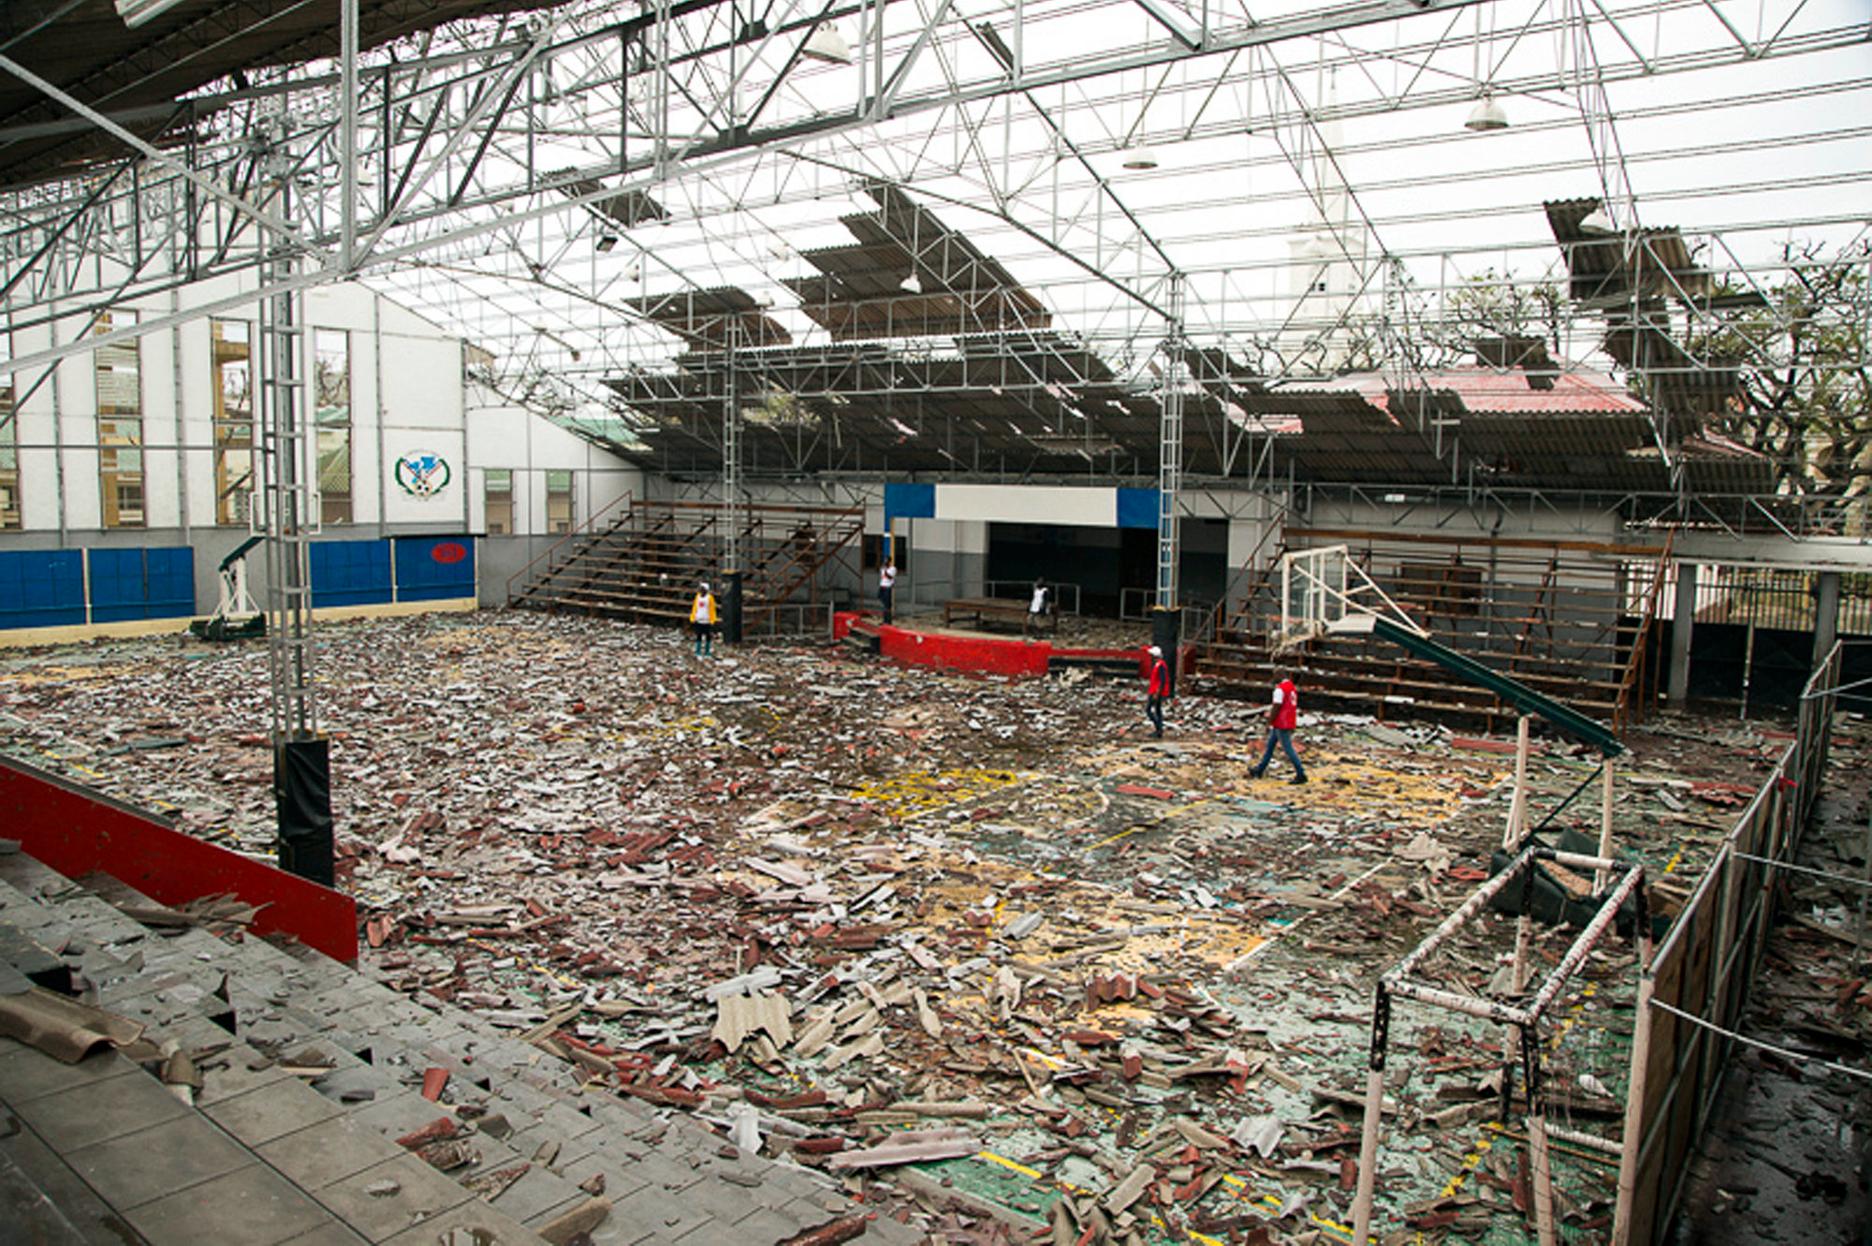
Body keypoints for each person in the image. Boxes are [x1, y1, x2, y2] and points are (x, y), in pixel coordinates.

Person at [1250, 669, 1307, 784]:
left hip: (1281, 722)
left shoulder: (1279, 690)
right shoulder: (1291, 686)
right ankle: (1259, 769)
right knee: (1270, 747)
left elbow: (1276, 706)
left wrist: (1269, 721)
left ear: (1279, 676)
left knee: (1288, 749)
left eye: (1275, 676)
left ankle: (1301, 774)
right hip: (1288, 720)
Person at [1144, 644, 1171, 738]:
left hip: (1156, 692)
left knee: (1149, 710)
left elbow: (1162, 680)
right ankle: (1159, 729)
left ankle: (1158, 728)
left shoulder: (1161, 666)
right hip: (1155, 691)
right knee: (1157, 710)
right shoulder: (1158, 664)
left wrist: (1157, 693)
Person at [690, 582, 718, 657]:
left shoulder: (709, 598)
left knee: (708, 636)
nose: (701, 590)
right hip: (699, 619)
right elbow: (695, 607)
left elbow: (712, 609)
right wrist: (693, 617)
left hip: (707, 620)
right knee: (699, 635)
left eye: (703, 589)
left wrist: (712, 619)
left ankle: (707, 651)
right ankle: (698, 651)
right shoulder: (697, 597)